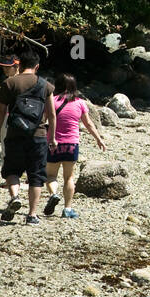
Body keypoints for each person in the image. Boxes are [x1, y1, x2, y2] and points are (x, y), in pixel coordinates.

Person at [0, 49, 56, 224]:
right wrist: (53, 138)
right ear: (37, 66)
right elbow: (52, 114)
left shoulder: (10, 83)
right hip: (39, 135)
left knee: (12, 170)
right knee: (36, 175)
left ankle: (15, 197)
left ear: (20, 64)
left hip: (14, 133)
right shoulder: (46, 85)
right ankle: (32, 215)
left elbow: (1, 112)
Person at [43, 73, 107, 218]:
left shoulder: (51, 101)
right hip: (72, 144)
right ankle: (68, 209)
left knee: (51, 175)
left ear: (57, 85)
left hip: (53, 143)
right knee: (69, 177)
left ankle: (53, 194)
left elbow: (43, 120)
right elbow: (89, 123)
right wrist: (98, 139)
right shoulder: (80, 103)